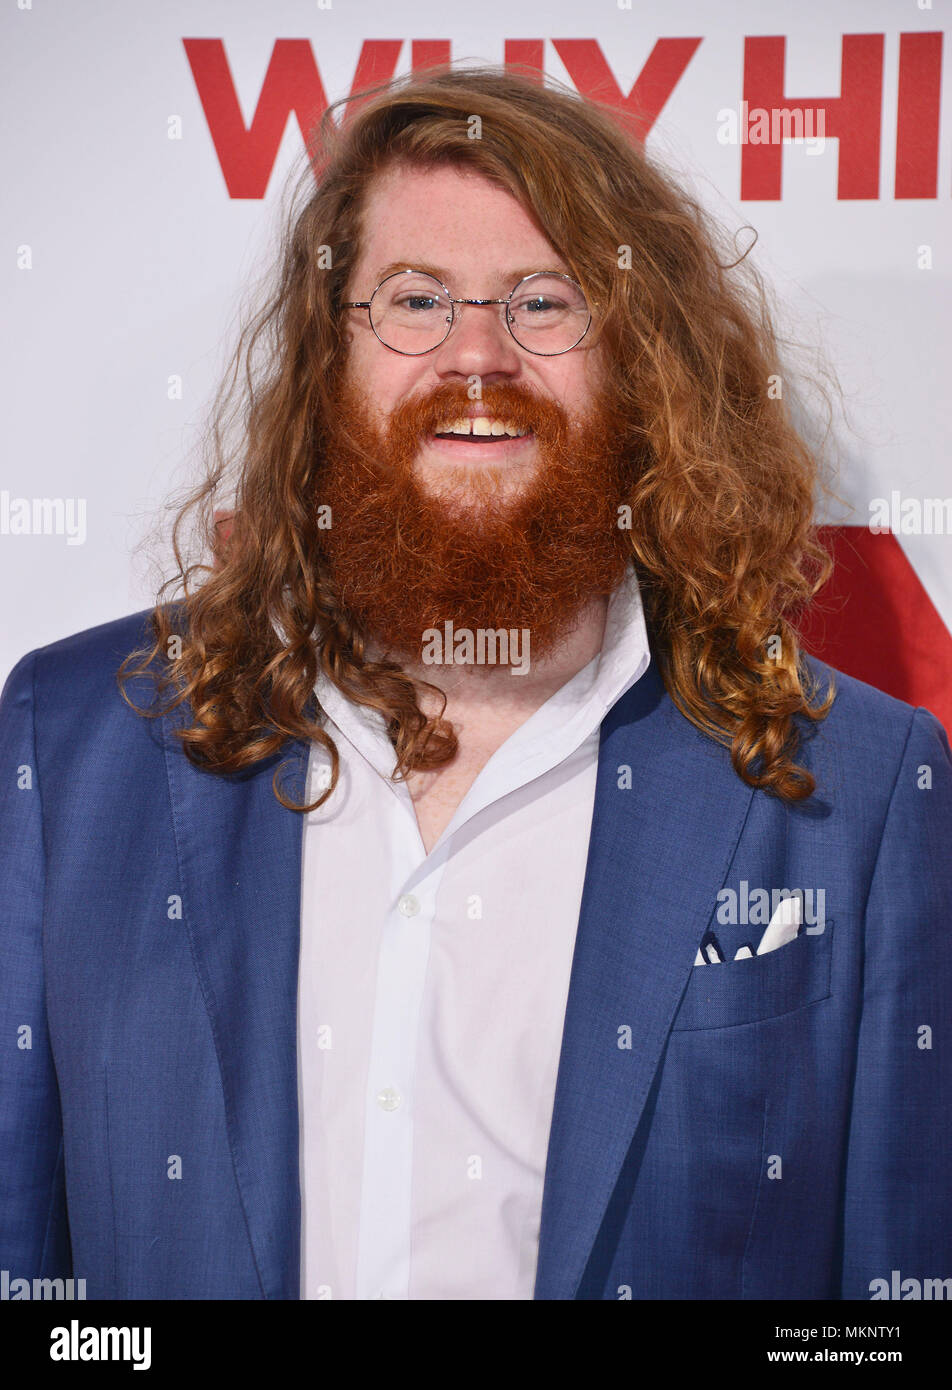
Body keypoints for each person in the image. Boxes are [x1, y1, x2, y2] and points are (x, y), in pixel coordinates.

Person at [1, 65, 949, 1302]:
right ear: (325, 352)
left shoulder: (857, 790)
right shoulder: (72, 748)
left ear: (641, 363)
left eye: (545, 302)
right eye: (415, 300)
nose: (478, 356)